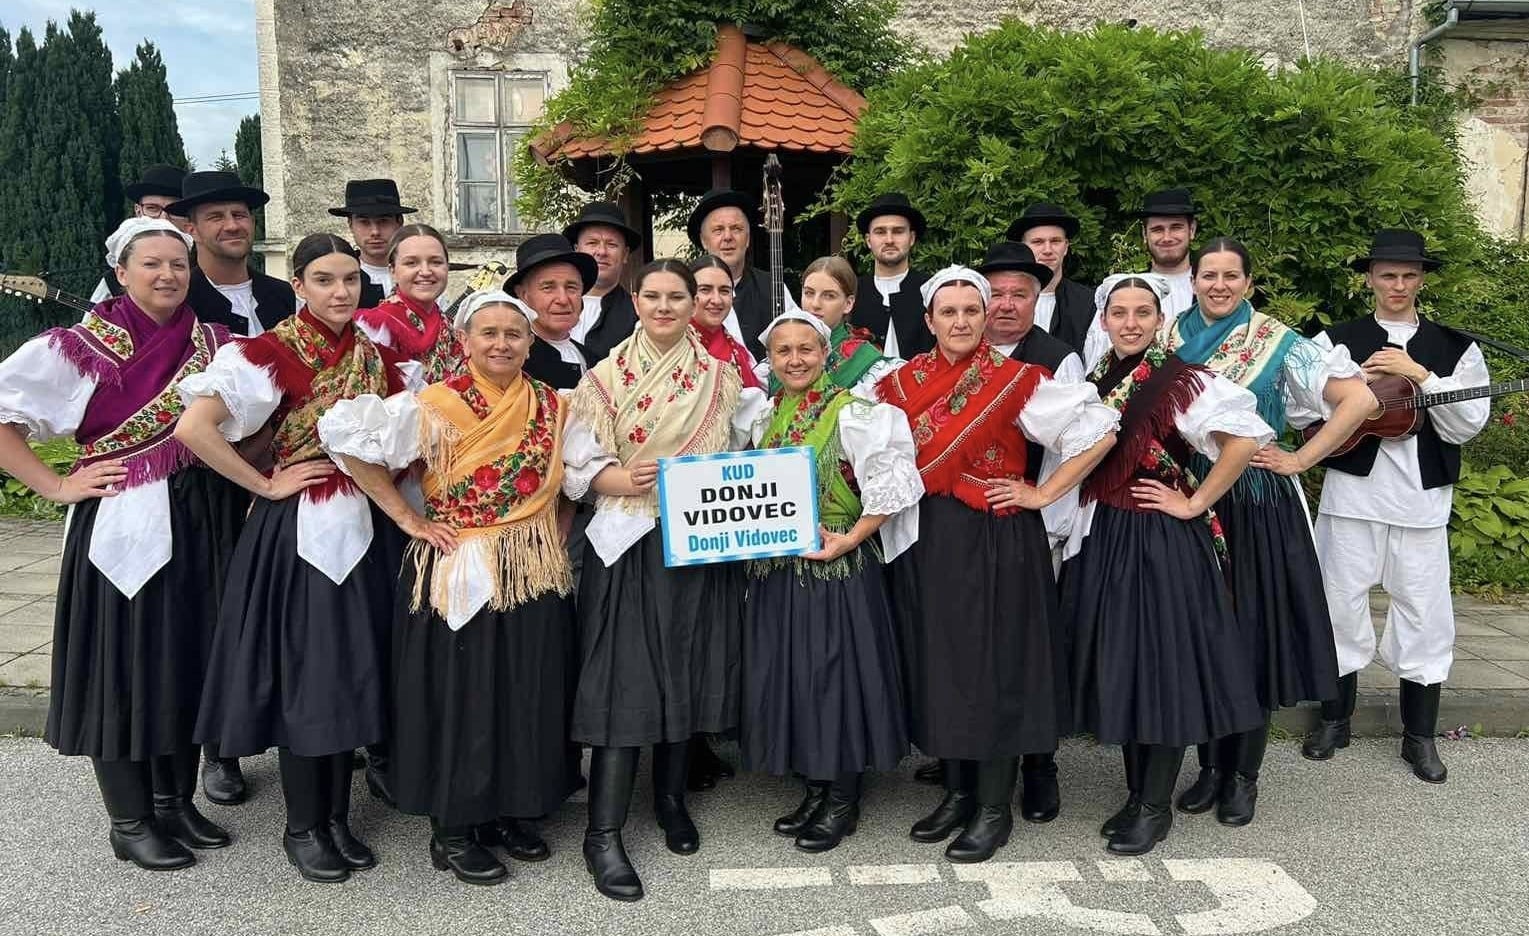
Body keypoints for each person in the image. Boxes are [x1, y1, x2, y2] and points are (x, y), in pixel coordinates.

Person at [176, 233, 420, 884]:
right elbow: (194, 429)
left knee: (354, 671)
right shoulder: (267, 352)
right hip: (299, 531)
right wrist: (264, 483)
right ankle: (303, 826)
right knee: (308, 678)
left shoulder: (374, 357)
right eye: (323, 280)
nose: (340, 292)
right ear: (300, 286)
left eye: (348, 280)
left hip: (366, 528)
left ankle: (338, 818)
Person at [0, 218, 241, 871]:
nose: (167, 275)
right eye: (152, 264)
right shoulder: (77, 347)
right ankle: (129, 820)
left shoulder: (217, 344)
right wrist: (54, 484)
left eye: (178, 264)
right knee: (124, 668)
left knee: (188, 660)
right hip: (122, 521)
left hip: (203, 517)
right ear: (124, 271)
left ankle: (174, 803)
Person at [320, 290, 577, 886]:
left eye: (514, 334)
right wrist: (408, 519)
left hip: (531, 565)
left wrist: (556, 527)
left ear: (530, 343)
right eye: (488, 333)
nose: (501, 343)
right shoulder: (432, 404)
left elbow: (574, 479)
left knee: (523, 689)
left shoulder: (554, 405)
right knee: (463, 695)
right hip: (459, 562)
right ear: (464, 343)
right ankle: (456, 828)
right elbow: (348, 442)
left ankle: (509, 808)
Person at [879, 266, 1117, 864]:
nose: (960, 322)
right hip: (929, 537)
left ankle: (992, 807)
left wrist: (1040, 491)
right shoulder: (899, 383)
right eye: (948, 312)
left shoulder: (1020, 381)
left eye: (971, 311)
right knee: (944, 664)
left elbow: (1098, 433)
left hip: (996, 536)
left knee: (992, 667)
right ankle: (959, 793)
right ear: (929, 320)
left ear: (986, 318)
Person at [562, 259, 761, 902]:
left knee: (687, 664)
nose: (668, 306)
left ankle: (671, 800)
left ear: (699, 303)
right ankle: (604, 832)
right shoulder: (602, 377)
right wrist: (615, 478)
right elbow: (579, 457)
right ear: (636, 300)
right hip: (626, 539)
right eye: (655, 295)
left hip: (697, 536)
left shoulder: (722, 378)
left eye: (680, 296)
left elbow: (742, 456)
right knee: (624, 679)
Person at [1161, 238, 1376, 825]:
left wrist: (1302, 459)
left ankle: (1243, 776)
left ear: (1249, 284)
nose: (1220, 285)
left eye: (1232, 276)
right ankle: (1207, 767)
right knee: (1202, 633)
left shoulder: (1279, 340)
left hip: (1254, 504)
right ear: (1194, 281)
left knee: (1249, 634)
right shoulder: (1167, 336)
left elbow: (1358, 398)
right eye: (1210, 275)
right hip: (1185, 498)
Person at [1064, 274, 1271, 856]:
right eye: (1119, 312)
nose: (1130, 322)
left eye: (1143, 313)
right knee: (1125, 666)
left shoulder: (1184, 381)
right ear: (1103, 320)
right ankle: (1136, 796)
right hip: (1105, 534)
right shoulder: (1098, 379)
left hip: (1159, 539)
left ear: (1161, 319)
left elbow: (1243, 441)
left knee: (1160, 668)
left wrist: (1196, 502)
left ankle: (1155, 807)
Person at [1303, 229, 1490, 784]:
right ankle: (1334, 720)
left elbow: (1467, 424)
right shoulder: (1335, 340)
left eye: (1409, 276)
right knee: (1337, 605)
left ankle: (1420, 737)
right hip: (1352, 498)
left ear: (1422, 280)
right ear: (1369, 278)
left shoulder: (1456, 348)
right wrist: (1351, 388)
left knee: (1425, 614)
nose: (1398, 285)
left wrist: (1421, 377)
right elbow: (1301, 407)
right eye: (1388, 275)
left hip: (1422, 501)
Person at [742, 309, 922, 853]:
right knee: (795, 673)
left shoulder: (855, 414)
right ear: (770, 361)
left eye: (805, 350)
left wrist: (851, 538)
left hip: (835, 565)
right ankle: (817, 786)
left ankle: (842, 795)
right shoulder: (766, 415)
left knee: (833, 676)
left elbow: (893, 487)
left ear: (826, 355)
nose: (794, 360)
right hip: (779, 570)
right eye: (782, 352)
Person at [976, 239, 1087, 820]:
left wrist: (1044, 506)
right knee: (978, 648)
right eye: (995, 293)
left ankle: (1040, 764)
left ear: (1036, 297)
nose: (1006, 304)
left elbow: (1078, 443)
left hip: (1032, 525)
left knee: (1030, 651)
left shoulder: (1055, 357)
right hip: (971, 530)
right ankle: (971, 758)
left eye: (1019, 293)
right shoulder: (960, 350)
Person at [169, 170, 295, 338]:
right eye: (216, 217)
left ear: (252, 222)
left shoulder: (283, 294)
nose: (232, 226)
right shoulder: (178, 301)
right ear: (192, 230)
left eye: (239, 215)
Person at [1082, 189, 1199, 370]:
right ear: (1145, 235)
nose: (1167, 237)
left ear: (1191, 230)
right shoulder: (1120, 293)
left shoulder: (1212, 294)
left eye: (1176, 227)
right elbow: (1098, 364)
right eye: (1157, 229)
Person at [686, 188, 800, 359]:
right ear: (703, 240)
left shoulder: (773, 287)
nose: (728, 237)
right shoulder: (684, 289)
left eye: (736, 229)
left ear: (747, 239)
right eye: (718, 230)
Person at [356, 223, 463, 385]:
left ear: (447, 267)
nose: (426, 272)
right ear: (392, 270)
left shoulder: (450, 328)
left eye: (436, 262)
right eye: (411, 263)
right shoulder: (374, 328)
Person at [787, 255, 899, 398]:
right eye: (809, 293)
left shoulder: (864, 359)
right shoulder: (781, 350)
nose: (815, 304)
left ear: (848, 304)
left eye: (829, 296)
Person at [508, 233, 597, 391]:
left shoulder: (596, 361)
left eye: (571, 287)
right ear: (523, 295)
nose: (563, 299)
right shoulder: (512, 361)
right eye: (548, 288)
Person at [1006, 202, 1096, 355]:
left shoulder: (1089, 303)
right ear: (1023, 247)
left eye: (1055, 241)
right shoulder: (1003, 302)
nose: (1047, 250)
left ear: (1066, 246)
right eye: (1038, 242)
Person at [91, 164, 189, 302]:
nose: (163, 219)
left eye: (174, 210)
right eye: (152, 208)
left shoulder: (210, 264)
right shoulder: (113, 282)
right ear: (138, 211)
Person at [853, 193, 933, 359]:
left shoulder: (932, 290)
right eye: (880, 232)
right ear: (868, 240)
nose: (889, 240)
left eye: (898, 231)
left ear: (911, 238)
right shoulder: (852, 291)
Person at [566, 201, 642, 365]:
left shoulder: (638, 315)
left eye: (612, 244)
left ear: (625, 254)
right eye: (592, 243)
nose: (601, 252)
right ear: (577, 250)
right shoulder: (547, 308)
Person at [328, 178, 416, 307]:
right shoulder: (336, 277)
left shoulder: (419, 273)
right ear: (350, 224)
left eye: (383, 221)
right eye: (364, 222)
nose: (375, 231)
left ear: (399, 222)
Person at [691, 254, 762, 390]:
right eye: (705, 290)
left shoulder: (737, 351)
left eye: (724, 291)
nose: (716, 300)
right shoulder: (672, 344)